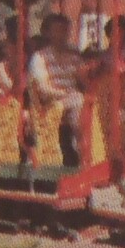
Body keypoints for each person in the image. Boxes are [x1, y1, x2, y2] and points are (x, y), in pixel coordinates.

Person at [27, 13, 84, 163]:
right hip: (50, 102)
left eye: (65, 30)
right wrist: (63, 94)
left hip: (71, 99)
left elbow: (83, 80)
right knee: (79, 103)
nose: (62, 34)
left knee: (90, 104)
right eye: (58, 30)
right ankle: (82, 148)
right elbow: (41, 88)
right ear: (49, 33)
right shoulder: (39, 57)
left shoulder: (74, 56)